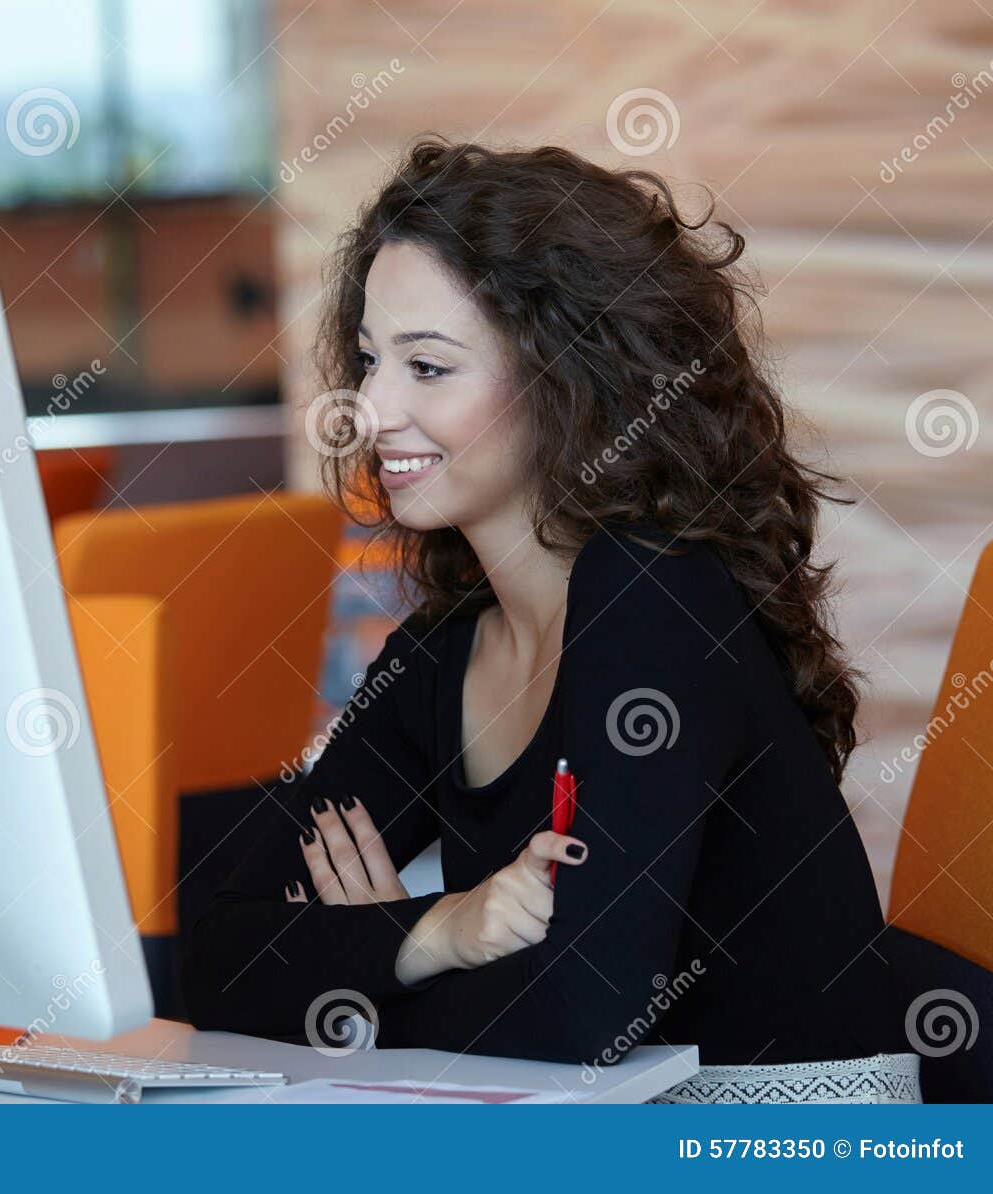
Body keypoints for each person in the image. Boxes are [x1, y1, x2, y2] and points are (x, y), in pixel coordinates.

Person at [181, 139, 917, 1104]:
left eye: (429, 368)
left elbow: (580, 1018)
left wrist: (356, 977)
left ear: (566, 381)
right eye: (368, 360)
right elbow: (215, 958)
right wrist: (439, 930)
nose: (372, 407)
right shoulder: (441, 655)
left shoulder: (652, 597)